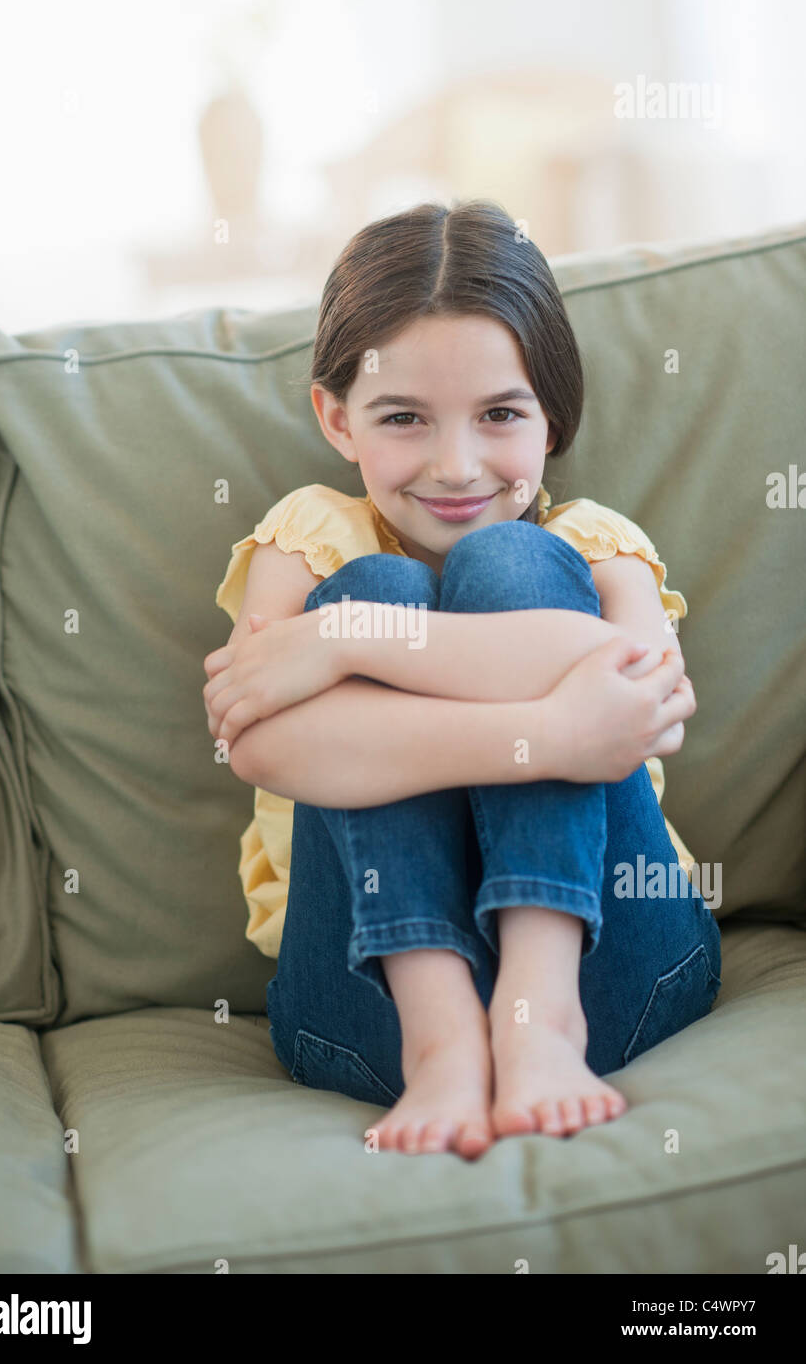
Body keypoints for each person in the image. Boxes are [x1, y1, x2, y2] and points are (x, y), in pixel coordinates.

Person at [202, 199, 721, 1162]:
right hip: (369, 1009)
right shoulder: (310, 542)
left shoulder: (593, 547)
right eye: (403, 417)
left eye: (499, 415)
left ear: (552, 417)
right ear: (336, 416)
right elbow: (258, 739)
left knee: (508, 568)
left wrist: (351, 643)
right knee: (379, 579)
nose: (457, 464)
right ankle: (445, 1035)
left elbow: (635, 693)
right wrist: (560, 731)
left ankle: (539, 1014)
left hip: (615, 968)